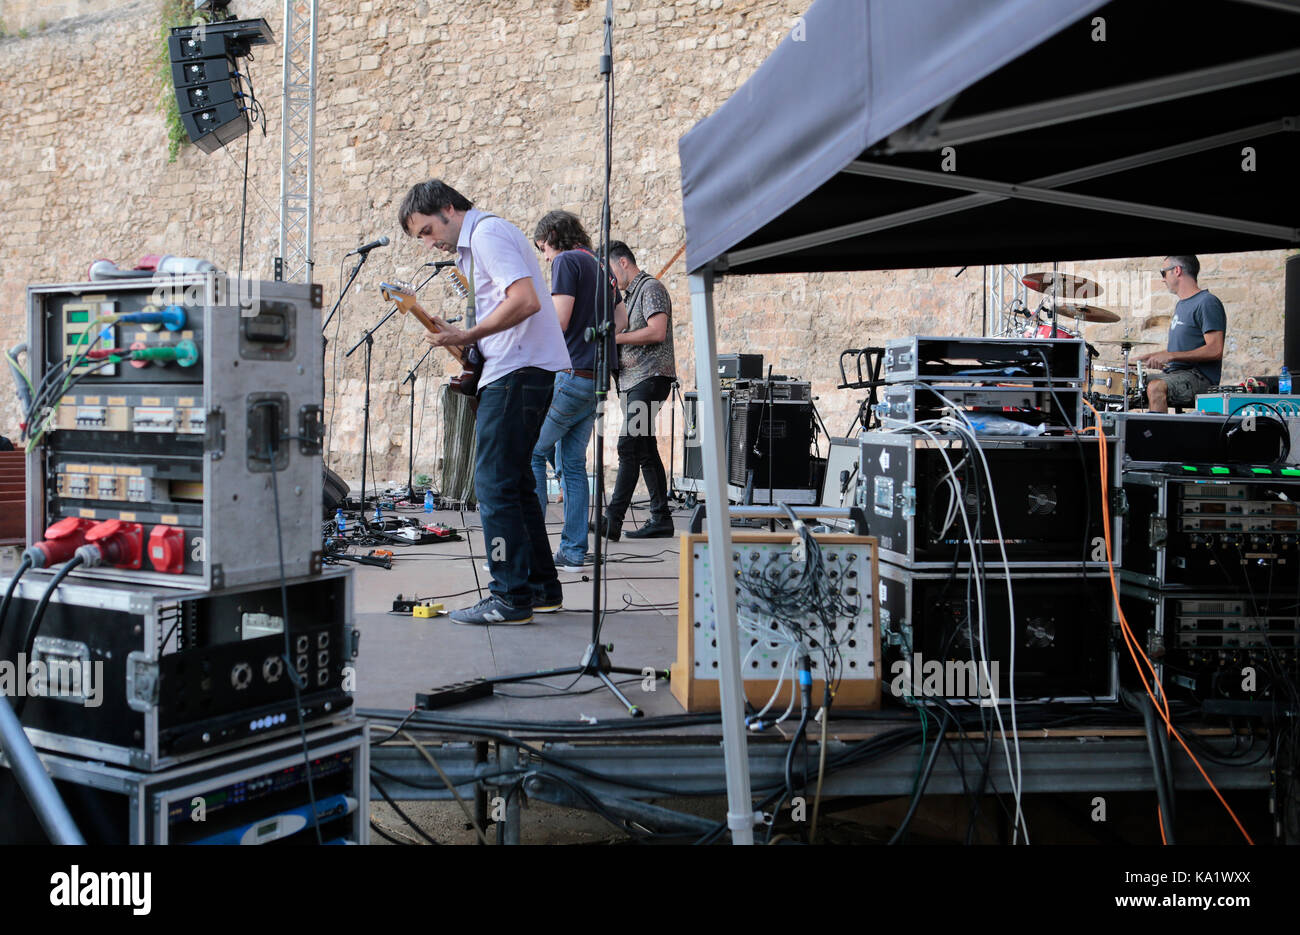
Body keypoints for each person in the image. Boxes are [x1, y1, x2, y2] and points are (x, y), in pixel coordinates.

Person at [400, 179, 571, 624]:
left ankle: (508, 596)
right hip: (518, 367)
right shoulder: (478, 243)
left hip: (518, 371)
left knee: (493, 485)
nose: (427, 243)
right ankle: (539, 589)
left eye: (425, 231)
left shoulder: (487, 234)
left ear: (448, 209)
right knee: (513, 485)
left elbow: (527, 301)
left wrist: (467, 334)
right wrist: (468, 346)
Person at [530, 210, 621, 573]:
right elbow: (623, 322)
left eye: (543, 249)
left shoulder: (567, 261)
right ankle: (572, 552)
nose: (546, 257)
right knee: (571, 464)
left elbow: (561, 319)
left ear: (554, 236)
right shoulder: (603, 268)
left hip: (569, 374)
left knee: (532, 453)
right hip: (596, 380)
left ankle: (531, 547)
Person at [593, 241, 677, 540]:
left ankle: (612, 520)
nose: (610, 280)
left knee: (628, 446)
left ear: (624, 262)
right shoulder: (628, 296)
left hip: (649, 379)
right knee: (644, 450)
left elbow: (657, 331)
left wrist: (616, 339)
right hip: (634, 382)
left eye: (611, 272)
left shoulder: (651, 288)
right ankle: (661, 518)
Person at [1140, 255, 1226, 413]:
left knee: (1155, 387)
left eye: (1163, 273)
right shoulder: (1181, 305)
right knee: (1131, 385)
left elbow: (1215, 350)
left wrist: (1171, 355)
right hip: (1176, 374)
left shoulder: (1207, 302)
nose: (1163, 280)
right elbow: (1179, 351)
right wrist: (1151, 357)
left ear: (1177, 270)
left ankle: (1159, 437)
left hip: (1200, 378)